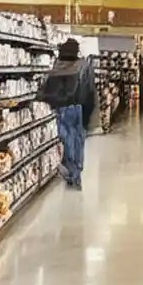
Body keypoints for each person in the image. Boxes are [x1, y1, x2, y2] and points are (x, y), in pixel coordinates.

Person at [37, 39, 96, 190]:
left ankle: (71, 169)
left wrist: (42, 100)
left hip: (61, 108)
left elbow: (47, 89)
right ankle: (76, 172)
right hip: (78, 108)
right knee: (78, 140)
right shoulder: (83, 66)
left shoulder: (57, 66)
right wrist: (90, 115)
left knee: (66, 138)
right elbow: (90, 90)